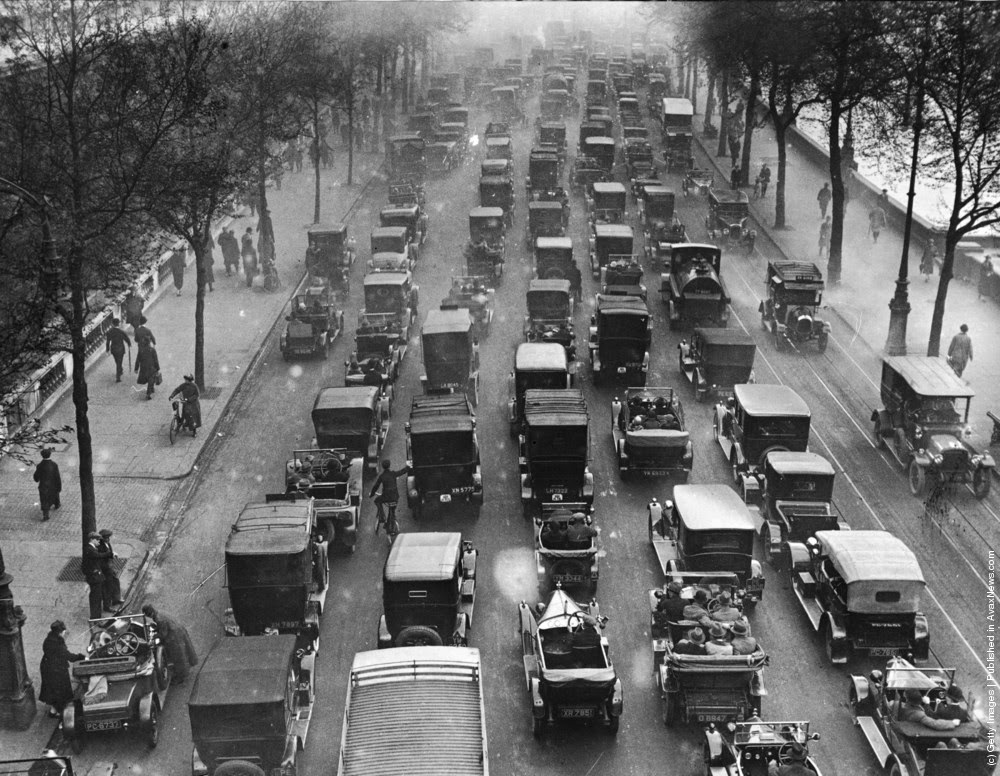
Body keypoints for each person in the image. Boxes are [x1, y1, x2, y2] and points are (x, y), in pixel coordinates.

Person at [141, 604, 198, 685]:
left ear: (149, 613)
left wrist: (154, 636)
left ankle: (180, 677)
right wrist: (157, 629)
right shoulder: (160, 613)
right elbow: (164, 626)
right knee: (183, 652)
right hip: (178, 630)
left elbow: (163, 634)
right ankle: (184, 669)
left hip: (174, 636)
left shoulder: (159, 619)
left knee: (178, 656)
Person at [38, 620, 85, 717]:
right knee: (60, 691)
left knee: (52, 690)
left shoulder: (49, 639)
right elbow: (68, 656)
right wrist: (81, 657)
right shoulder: (58, 644)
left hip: (47, 667)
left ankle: (53, 711)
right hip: (57, 670)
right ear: (60, 632)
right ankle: (60, 712)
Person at [369, 459, 409, 527]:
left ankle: (382, 517)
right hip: (395, 497)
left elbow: (376, 486)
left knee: (377, 501)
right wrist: (408, 467)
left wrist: (372, 494)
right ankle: (391, 522)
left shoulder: (382, 476)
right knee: (392, 509)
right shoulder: (393, 474)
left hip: (386, 497)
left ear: (382, 466)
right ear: (389, 466)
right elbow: (402, 472)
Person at [81, 532, 110, 619]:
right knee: (96, 598)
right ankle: (95, 617)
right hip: (94, 577)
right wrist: (108, 553)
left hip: (97, 575)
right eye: (97, 539)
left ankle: (100, 612)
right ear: (92, 539)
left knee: (99, 594)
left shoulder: (92, 548)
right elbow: (97, 556)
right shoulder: (90, 549)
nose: (98, 541)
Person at [98, 529, 123, 613]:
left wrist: (112, 554)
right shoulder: (100, 547)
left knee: (115, 581)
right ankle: (107, 606)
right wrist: (111, 555)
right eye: (106, 538)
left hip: (110, 567)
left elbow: (110, 552)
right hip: (105, 570)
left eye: (108, 537)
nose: (108, 539)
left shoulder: (107, 543)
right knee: (107, 588)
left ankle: (116, 599)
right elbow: (102, 558)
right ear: (103, 538)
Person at [33, 448, 62, 522]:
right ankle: (57, 504)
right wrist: (59, 486)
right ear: (50, 454)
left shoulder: (40, 465)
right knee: (55, 494)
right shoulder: (54, 464)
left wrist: (37, 479)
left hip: (44, 485)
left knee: (44, 499)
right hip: (53, 484)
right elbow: (57, 476)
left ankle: (46, 515)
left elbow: (36, 477)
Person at [105, 317, 131, 382]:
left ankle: (120, 370)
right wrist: (129, 344)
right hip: (121, 349)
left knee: (117, 361)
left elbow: (108, 342)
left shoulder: (109, 332)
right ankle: (118, 376)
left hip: (114, 349)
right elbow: (126, 338)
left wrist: (107, 350)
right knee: (119, 362)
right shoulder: (121, 331)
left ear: (112, 324)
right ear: (118, 324)